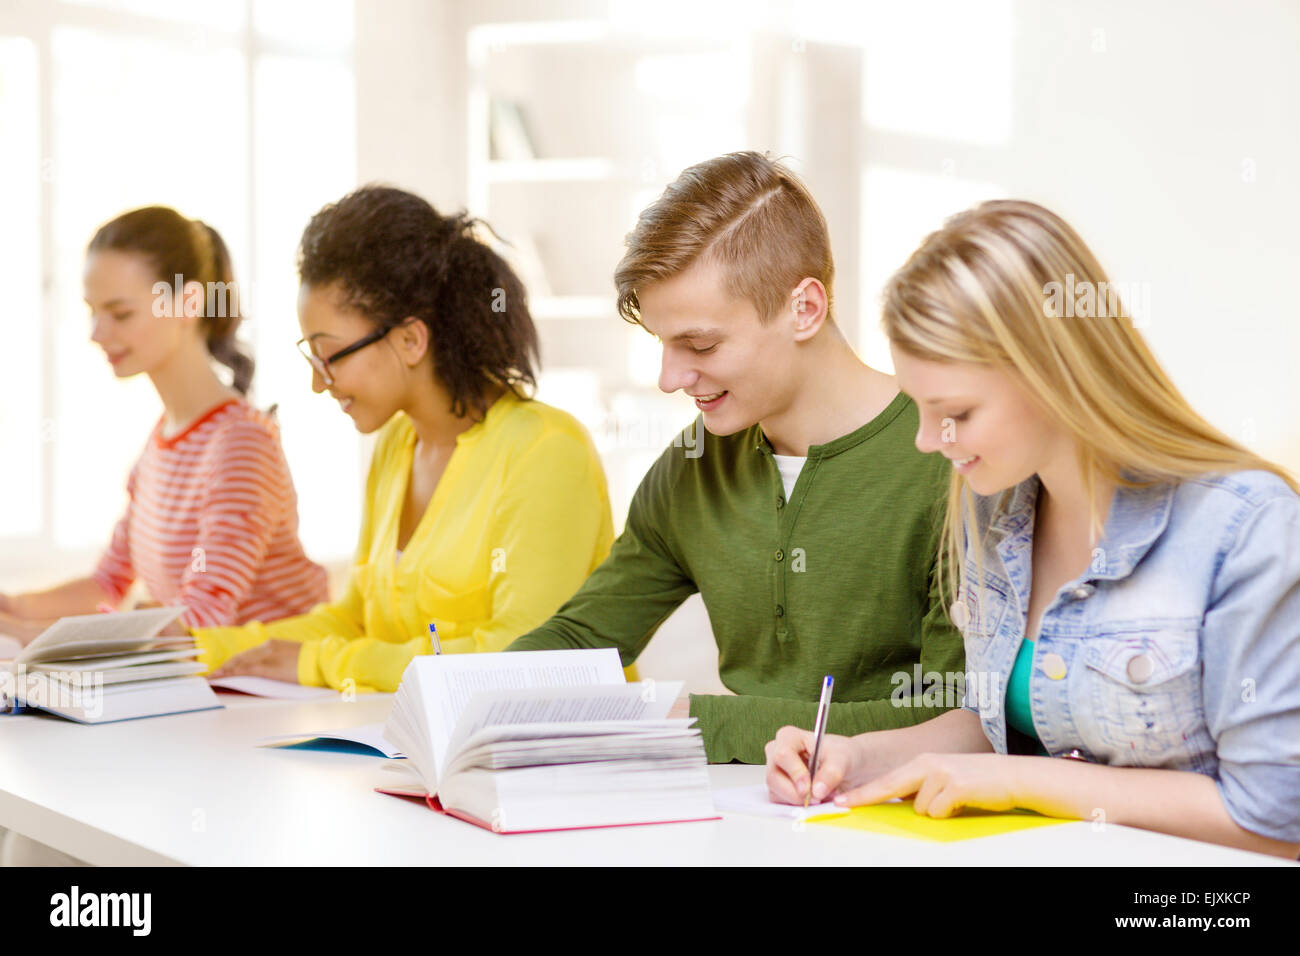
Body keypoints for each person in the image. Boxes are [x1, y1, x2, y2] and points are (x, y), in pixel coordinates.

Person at [763, 199, 1300, 859]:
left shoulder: (1246, 526)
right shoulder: (994, 505)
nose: (929, 441)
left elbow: (1274, 820)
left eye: (954, 411)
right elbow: (1012, 728)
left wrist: (1019, 780)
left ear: (1053, 372)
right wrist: (857, 756)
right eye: (921, 410)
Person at [508, 152, 965, 764]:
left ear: (804, 308)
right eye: (663, 344)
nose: (670, 378)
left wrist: (687, 722)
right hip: (740, 814)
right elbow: (583, 637)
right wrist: (475, 694)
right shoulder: (695, 463)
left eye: (700, 344)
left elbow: (950, 718)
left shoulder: (953, 463)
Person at [195, 185, 616, 692]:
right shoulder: (397, 444)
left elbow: (520, 656)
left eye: (330, 356)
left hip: (548, 762)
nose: (317, 381)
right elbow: (353, 621)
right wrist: (196, 649)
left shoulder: (545, 452)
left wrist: (328, 665)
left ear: (411, 339)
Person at [0, 206, 328, 642]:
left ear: (188, 303)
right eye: (92, 311)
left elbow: (197, 623)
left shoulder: (241, 445)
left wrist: (23, 633)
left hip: (269, 697)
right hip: (212, 698)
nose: (96, 333)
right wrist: (14, 606)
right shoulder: (162, 443)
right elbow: (108, 584)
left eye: (120, 314)